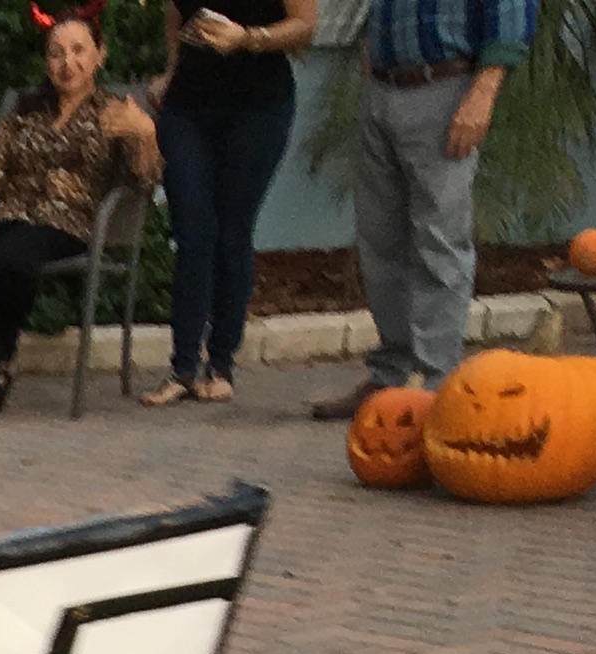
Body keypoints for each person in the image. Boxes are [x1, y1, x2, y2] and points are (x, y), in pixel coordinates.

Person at [0, 13, 163, 417]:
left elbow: (145, 182)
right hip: (6, 215)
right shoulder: (25, 109)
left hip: (65, 221)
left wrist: (144, 134)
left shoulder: (113, 113)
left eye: (78, 51)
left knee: (10, 261)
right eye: (56, 53)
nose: (67, 63)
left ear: (100, 56)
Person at [311, 0, 532, 420]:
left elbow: (510, 11)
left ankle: (436, 385)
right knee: (379, 241)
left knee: (440, 242)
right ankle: (389, 375)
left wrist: (483, 92)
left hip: (445, 89)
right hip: (381, 89)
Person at [142, 0, 317, 403]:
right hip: (187, 107)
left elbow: (305, 26)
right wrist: (170, 71)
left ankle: (221, 363)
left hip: (258, 107)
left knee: (232, 229)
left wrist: (248, 38)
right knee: (192, 231)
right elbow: (177, 16)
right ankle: (182, 367)